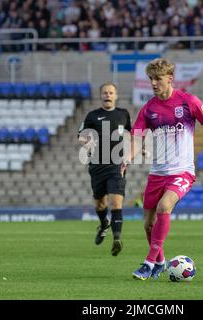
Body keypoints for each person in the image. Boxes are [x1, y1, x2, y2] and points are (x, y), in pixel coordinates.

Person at [123, 58, 203, 280]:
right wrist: (128, 158)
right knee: (148, 224)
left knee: (164, 207)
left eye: (158, 79)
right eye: (151, 79)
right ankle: (159, 262)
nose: (154, 83)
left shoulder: (188, 102)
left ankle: (148, 263)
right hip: (157, 172)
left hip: (182, 171)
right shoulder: (148, 109)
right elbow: (137, 138)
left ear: (170, 79)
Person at [78, 81, 131, 257]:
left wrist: (139, 149)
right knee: (100, 204)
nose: (108, 95)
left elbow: (130, 135)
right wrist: (87, 140)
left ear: (116, 96)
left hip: (117, 165)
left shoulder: (124, 114)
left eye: (111, 92)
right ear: (101, 96)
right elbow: (81, 136)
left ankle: (117, 239)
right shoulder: (93, 116)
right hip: (97, 165)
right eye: (105, 93)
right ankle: (103, 225)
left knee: (116, 202)